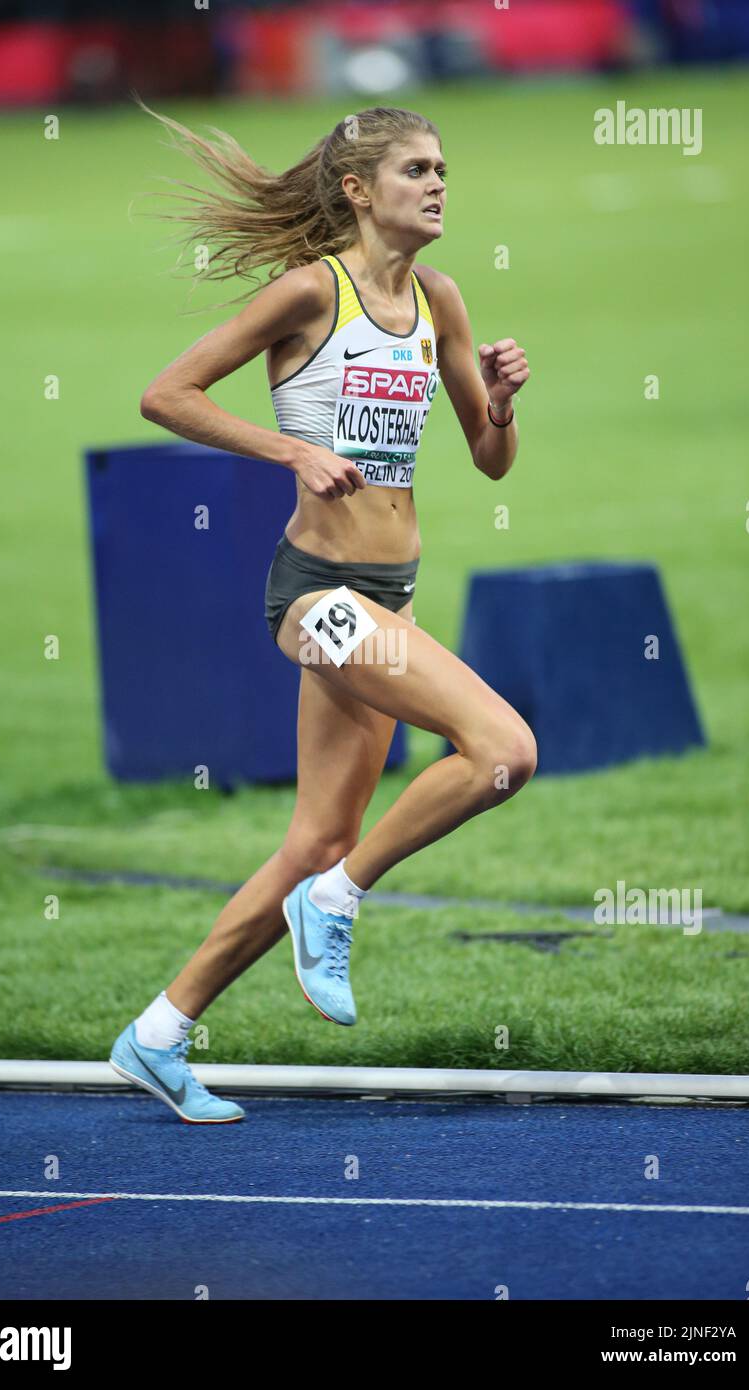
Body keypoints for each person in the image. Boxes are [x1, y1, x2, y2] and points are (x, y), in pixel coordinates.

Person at [109, 105, 534, 1124]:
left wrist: (506, 405)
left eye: (442, 168)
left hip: (389, 593)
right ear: (357, 189)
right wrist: (289, 450)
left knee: (313, 836)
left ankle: (158, 1034)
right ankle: (340, 899)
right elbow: (165, 394)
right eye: (415, 170)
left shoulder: (440, 299)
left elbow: (486, 457)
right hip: (314, 597)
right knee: (498, 750)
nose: (437, 185)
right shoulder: (309, 291)